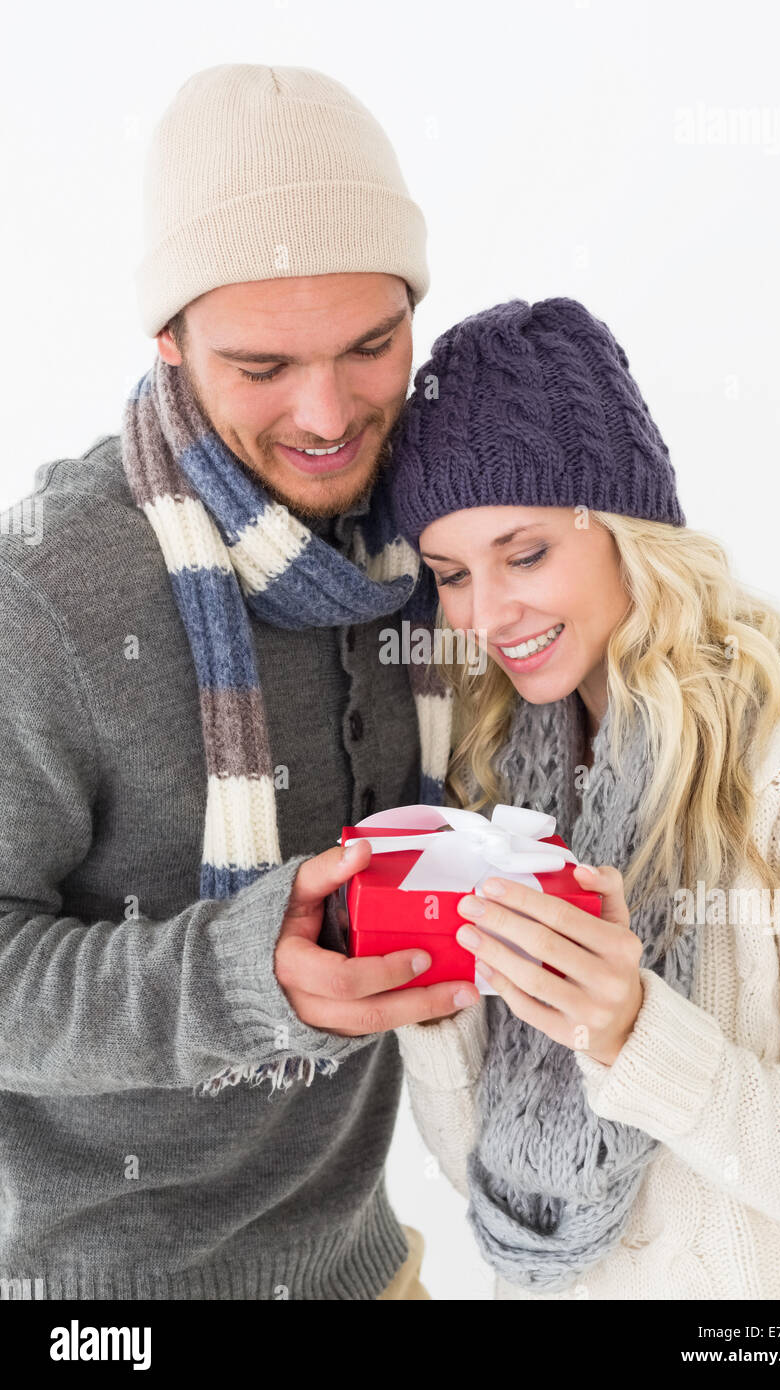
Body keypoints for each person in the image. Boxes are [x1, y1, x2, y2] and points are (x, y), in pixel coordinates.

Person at [0, 63, 480, 1302]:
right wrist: (232, 974)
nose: (328, 413)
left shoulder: (436, 535)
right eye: (262, 365)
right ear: (167, 341)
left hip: (366, 1265)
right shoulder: (47, 595)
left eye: (371, 345)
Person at [386, 296, 780, 1300]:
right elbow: (494, 1192)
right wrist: (424, 997)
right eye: (449, 575)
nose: (486, 614)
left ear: (623, 529)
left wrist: (631, 1034)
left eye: (524, 555)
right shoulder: (496, 778)